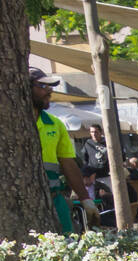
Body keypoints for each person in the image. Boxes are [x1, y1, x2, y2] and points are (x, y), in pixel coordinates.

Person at [30, 67, 98, 233]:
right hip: (26, 202)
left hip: (55, 199)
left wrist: (85, 199)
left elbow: (68, 163)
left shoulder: (55, 124)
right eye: (42, 86)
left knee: (67, 242)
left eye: (50, 87)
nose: (49, 92)